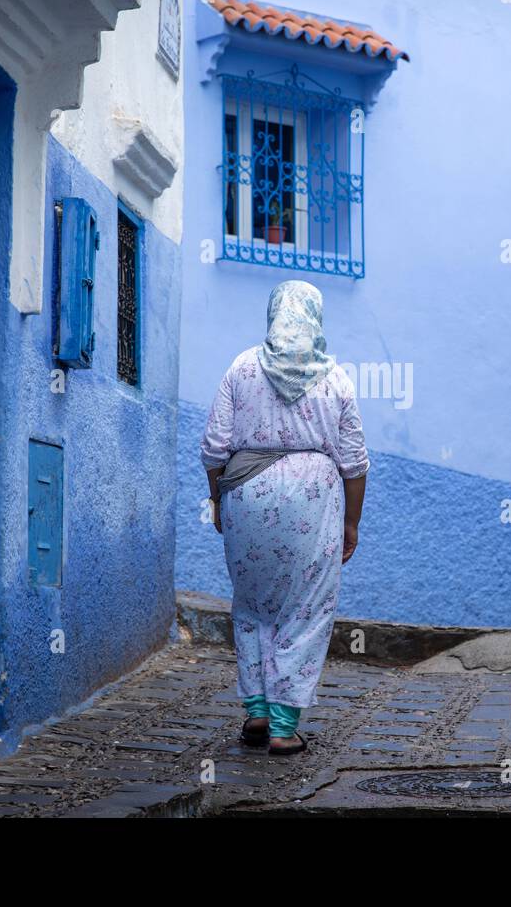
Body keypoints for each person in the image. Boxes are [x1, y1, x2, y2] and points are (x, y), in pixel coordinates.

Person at [200, 280, 369, 755]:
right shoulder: (336, 379)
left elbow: (213, 448)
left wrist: (217, 501)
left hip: (244, 497)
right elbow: (355, 463)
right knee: (306, 608)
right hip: (313, 499)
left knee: (252, 604)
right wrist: (351, 523)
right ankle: (282, 726)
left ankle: (256, 713)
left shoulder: (241, 367)